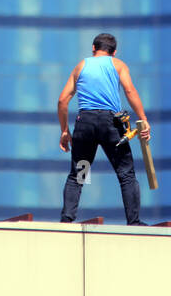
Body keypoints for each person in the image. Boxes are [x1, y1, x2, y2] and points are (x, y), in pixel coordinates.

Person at [57, 32, 151, 226]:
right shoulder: (118, 65)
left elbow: (62, 100)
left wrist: (65, 130)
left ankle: (67, 220)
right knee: (125, 174)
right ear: (114, 52)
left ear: (93, 48)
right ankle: (133, 222)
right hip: (110, 125)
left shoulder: (80, 66)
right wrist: (143, 118)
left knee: (79, 173)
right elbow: (130, 91)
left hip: (85, 124)